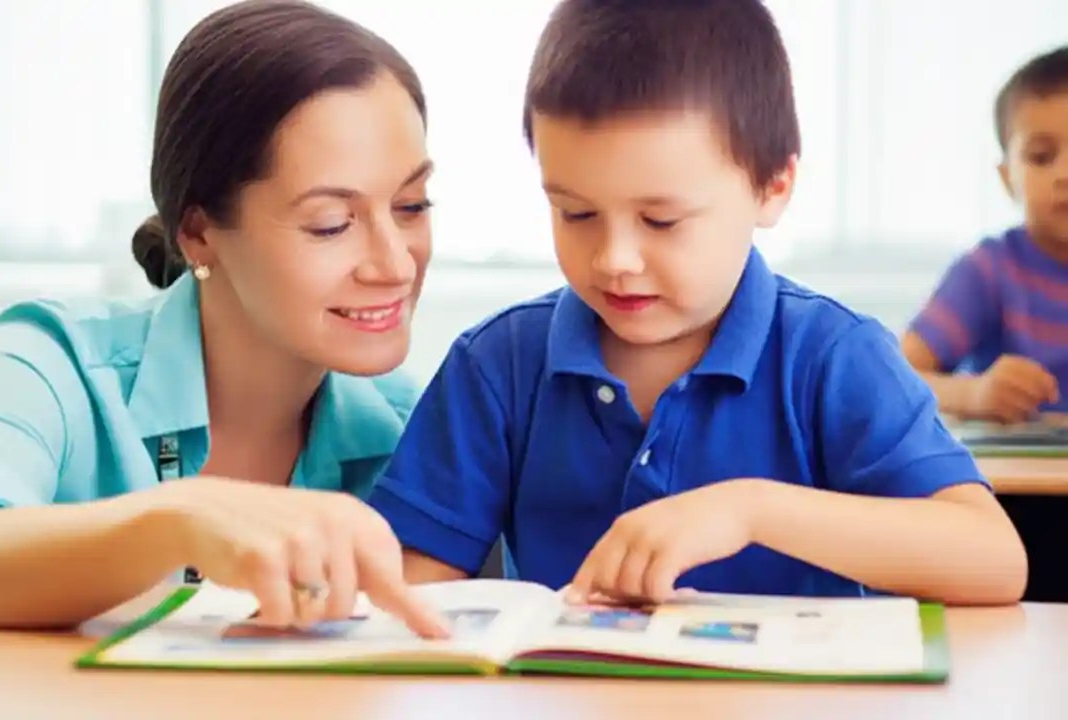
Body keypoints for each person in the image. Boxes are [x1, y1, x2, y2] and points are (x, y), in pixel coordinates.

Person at [0, 0, 447, 678]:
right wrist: (182, 519)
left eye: (411, 207)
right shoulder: (46, 363)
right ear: (197, 232)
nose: (396, 263)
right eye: (332, 223)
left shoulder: (406, 424)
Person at [368, 0, 1027, 606]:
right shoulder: (500, 362)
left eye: (661, 221)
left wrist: (750, 511)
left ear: (773, 187)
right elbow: (410, 595)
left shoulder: (833, 354)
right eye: (576, 212)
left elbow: (993, 560)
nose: (613, 258)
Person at [902, 46, 1068, 424]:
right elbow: (894, 376)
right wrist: (974, 394)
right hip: (1010, 481)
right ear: (1008, 178)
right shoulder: (989, 271)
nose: (1065, 175)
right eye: (1042, 156)